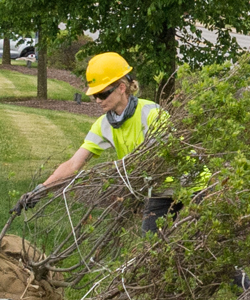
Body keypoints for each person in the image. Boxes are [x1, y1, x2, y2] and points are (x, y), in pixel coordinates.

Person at [17, 51, 170, 209]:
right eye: (95, 95)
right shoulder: (104, 125)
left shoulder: (152, 113)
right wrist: (40, 190)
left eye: (102, 94)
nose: (97, 100)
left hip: (187, 188)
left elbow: (158, 160)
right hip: (155, 191)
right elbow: (73, 164)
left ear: (122, 88)